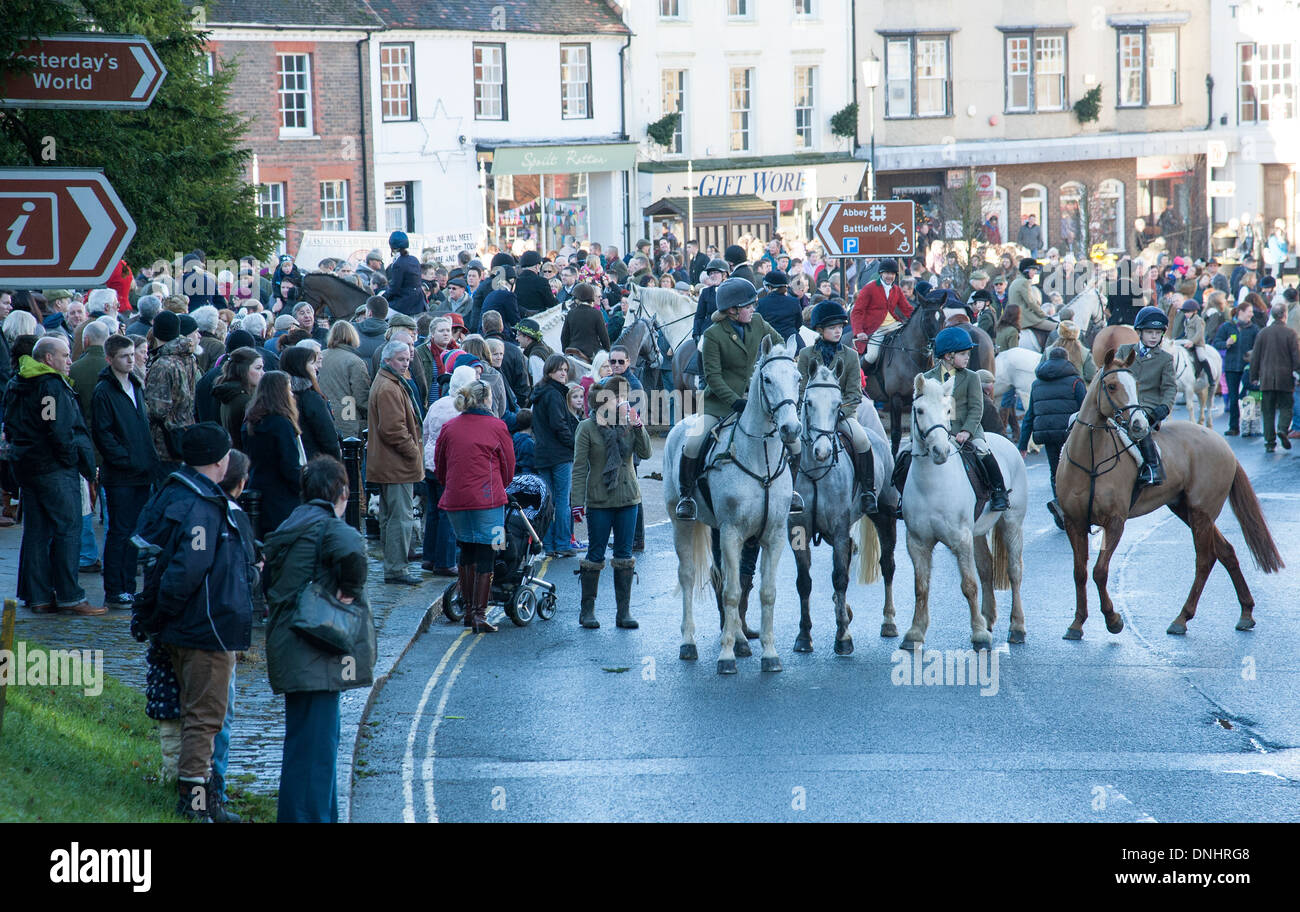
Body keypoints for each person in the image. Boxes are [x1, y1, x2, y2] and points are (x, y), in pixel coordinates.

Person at [134, 422, 252, 821]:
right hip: (205, 628)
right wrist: (164, 611)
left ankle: (205, 800)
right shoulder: (201, 505)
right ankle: (197, 804)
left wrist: (155, 617)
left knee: (195, 714)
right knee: (205, 717)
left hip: (181, 626)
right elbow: (188, 569)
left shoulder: (171, 491)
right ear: (220, 462)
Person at [263, 455, 374, 823]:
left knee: (311, 745)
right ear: (341, 491)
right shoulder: (327, 524)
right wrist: (348, 591)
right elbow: (353, 550)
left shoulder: (294, 521)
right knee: (315, 751)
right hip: (313, 650)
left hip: (294, 650)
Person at [676, 277, 803, 520]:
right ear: (733, 311)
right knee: (693, 442)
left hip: (755, 401)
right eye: (749, 306)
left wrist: (781, 363)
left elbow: (777, 343)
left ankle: (792, 490)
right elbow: (713, 377)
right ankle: (687, 496)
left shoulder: (758, 322)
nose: (754, 309)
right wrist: (735, 402)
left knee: (795, 444)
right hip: (719, 404)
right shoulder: (712, 335)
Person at [4, 335, 101, 615]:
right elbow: (57, 430)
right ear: (48, 358)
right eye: (65, 355)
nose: (70, 361)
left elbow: (11, 425)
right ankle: (71, 596)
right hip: (52, 468)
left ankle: (39, 596)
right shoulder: (50, 385)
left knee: (37, 531)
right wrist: (72, 459)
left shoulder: (18, 382)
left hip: (27, 466)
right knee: (68, 529)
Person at [434, 378, 515, 633]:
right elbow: (509, 468)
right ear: (487, 399)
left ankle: (468, 611)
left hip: (456, 498)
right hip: (488, 499)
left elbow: (440, 466)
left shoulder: (449, 427)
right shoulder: (497, 426)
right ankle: (480, 614)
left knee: (466, 549)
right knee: (488, 552)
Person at [571, 375, 651, 629]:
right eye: (618, 397)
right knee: (595, 554)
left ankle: (623, 613)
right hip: (600, 499)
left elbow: (646, 453)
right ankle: (587, 611)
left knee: (624, 555)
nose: (622, 402)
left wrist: (638, 426)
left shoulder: (627, 422)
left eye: (624, 397)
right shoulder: (587, 427)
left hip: (628, 497)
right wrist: (576, 502)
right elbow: (579, 467)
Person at [90, 334, 159, 608]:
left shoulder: (135, 383)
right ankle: (116, 588)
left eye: (132, 355)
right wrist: (127, 459)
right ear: (110, 359)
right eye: (124, 356)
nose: (131, 360)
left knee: (134, 533)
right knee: (119, 531)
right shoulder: (104, 391)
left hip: (142, 470)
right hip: (121, 474)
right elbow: (104, 434)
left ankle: (129, 585)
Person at [795, 301, 878, 513]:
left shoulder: (850, 355)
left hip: (841, 413)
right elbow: (801, 389)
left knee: (862, 440)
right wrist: (810, 413)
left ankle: (868, 490)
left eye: (840, 327)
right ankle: (791, 492)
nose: (838, 331)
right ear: (820, 330)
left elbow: (854, 392)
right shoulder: (806, 355)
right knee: (791, 444)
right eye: (832, 327)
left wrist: (840, 412)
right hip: (811, 415)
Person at [917, 327, 1009, 510]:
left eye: (968, 354)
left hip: (967, 429)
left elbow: (976, 408)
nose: (968, 357)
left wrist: (967, 431)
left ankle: (999, 491)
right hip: (939, 430)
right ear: (948, 356)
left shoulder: (972, 377)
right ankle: (904, 498)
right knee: (909, 454)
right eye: (963, 354)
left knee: (982, 450)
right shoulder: (927, 378)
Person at [367, 339, 425, 584]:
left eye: (408, 359)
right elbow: (392, 429)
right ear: (388, 360)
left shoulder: (388, 382)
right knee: (399, 518)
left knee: (392, 517)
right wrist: (414, 452)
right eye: (401, 359)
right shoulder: (389, 387)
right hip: (397, 464)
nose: (405, 363)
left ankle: (394, 566)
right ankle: (396, 569)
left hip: (391, 462)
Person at [1018, 348, 1087, 528]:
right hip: (1070, 434)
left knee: (1055, 472)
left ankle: (1060, 504)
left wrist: (1023, 444)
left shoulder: (1037, 383)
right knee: (1076, 470)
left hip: (1048, 434)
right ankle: (1075, 509)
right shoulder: (1075, 382)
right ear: (1067, 359)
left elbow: (1030, 415)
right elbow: (1086, 409)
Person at [422, 364, 478, 575]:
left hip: (430, 463)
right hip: (449, 466)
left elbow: (425, 431)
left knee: (434, 512)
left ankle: (429, 557)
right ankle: (445, 561)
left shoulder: (438, 404)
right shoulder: (461, 408)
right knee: (449, 512)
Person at [1117, 307, 1178, 485]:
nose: (1153, 336)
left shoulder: (1165, 359)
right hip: (1123, 403)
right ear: (1139, 332)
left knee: (1139, 425)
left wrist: (1164, 407)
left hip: (1148, 407)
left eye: (1157, 333)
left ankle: (1153, 467)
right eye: (1149, 332)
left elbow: (1170, 388)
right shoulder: (1124, 351)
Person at [242, 370, 304, 537]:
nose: (292, 393)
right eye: (289, 389)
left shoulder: (251, 421)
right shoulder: (281, 424)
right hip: (281, 494)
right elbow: (289, 464)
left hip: (257, 484)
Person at [531, 354, 577, 556]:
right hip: (559, 454)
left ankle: (548, 545)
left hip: (542, 453)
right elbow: (559, 425)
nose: (564, 373)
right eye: (560, 369)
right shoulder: (554, 394)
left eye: (566, 370)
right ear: (550, 371)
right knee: (562, 501)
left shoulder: (540, 392)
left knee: (547, 502)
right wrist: (574, 444)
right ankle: (563, 543)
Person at [145, 310, 200, 479]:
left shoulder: (163, 364)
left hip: (165, 442)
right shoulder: (188, 357)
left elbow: (157, 409)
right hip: (184, 431)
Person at [1249, 303, 1300, 452]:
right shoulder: (1291, 334)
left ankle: (1269, 443)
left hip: (1266, 378)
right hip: (1285, 378)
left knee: (1268, 410)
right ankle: (1283, 429)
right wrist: (1298, 372)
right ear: (1284, 315)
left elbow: (1255, 357)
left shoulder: (1263, 333)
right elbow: (1296, 357)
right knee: (1286, 407)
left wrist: (1253, 376)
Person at [281, 346, 341, 462]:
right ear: (301, 367)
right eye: (312, 363)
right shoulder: (310, 398)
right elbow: (328, 438)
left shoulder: (278, 397)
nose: (316, 368)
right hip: (317, 464)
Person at [1213, 300, 1260, 436]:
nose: (1251, 314)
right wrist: (1226, 343)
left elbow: (1257, 346)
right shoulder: (1227, 326)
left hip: (1247, 368)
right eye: (1249, 311)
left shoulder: (1253, 329)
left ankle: (1247, 427)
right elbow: (1217, 342)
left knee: (1248, 397)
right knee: (1233, 398)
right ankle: (1234, 427)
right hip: (1231, 367)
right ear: (1241, 312)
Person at [318, 321, 370, 441]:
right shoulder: (355, 361)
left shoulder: (320, 356)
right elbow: (361, 397)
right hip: (348, 418)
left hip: (325, 416)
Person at [852, 259, 911, 362]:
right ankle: (860, 375)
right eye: (887, 273)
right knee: (872, 356)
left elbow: (907, 309)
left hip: (894, 325)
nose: (890, 276)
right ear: (881, 273)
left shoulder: (896, 289)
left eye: (893, 273)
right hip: (876, 329)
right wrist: (859, 331)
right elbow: (857, 311)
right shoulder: (869, 288)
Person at [211, 348, 264, 450]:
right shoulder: (243, 400)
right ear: (243, 370)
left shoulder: (229, 392)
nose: (263, 373)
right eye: (258, 368)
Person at [1009, 258, 1055, 350]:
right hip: (1026, 318)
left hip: (1016, 317)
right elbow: (1031, 303)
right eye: (1033, 270)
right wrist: (1043, 315)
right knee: (1056, 327)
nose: (1035, 273)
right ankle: (1049, 352)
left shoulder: (1015, 281)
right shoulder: (1024, 282)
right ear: (1026, 270)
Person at [560, 282, 610, 362]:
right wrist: (607, 352)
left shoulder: (571, 313)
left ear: (577, 299)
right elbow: (604, 336)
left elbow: (564, 337)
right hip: (591, 353)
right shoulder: (596, 313)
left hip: (572, 352)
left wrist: (565, 351)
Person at [756, 270, 804, 347]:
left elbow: (758, 324)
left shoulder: (761, 303)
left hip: (771, 342)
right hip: (793, 342)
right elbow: (799, 323)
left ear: (769, 287)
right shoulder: (794, 301)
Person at [383, 231, 425, 317]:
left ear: (392, 246)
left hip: (404, 304)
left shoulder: (398, 263)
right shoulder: (414, 259)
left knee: (379, 316)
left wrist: (381, 298)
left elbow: (395, 288)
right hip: (419, 302)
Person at [515, 249, 558, 316]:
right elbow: (552, 304)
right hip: (538, 320)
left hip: (519, 321)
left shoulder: (515, 282)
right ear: (537, 266)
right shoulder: (541, 281)